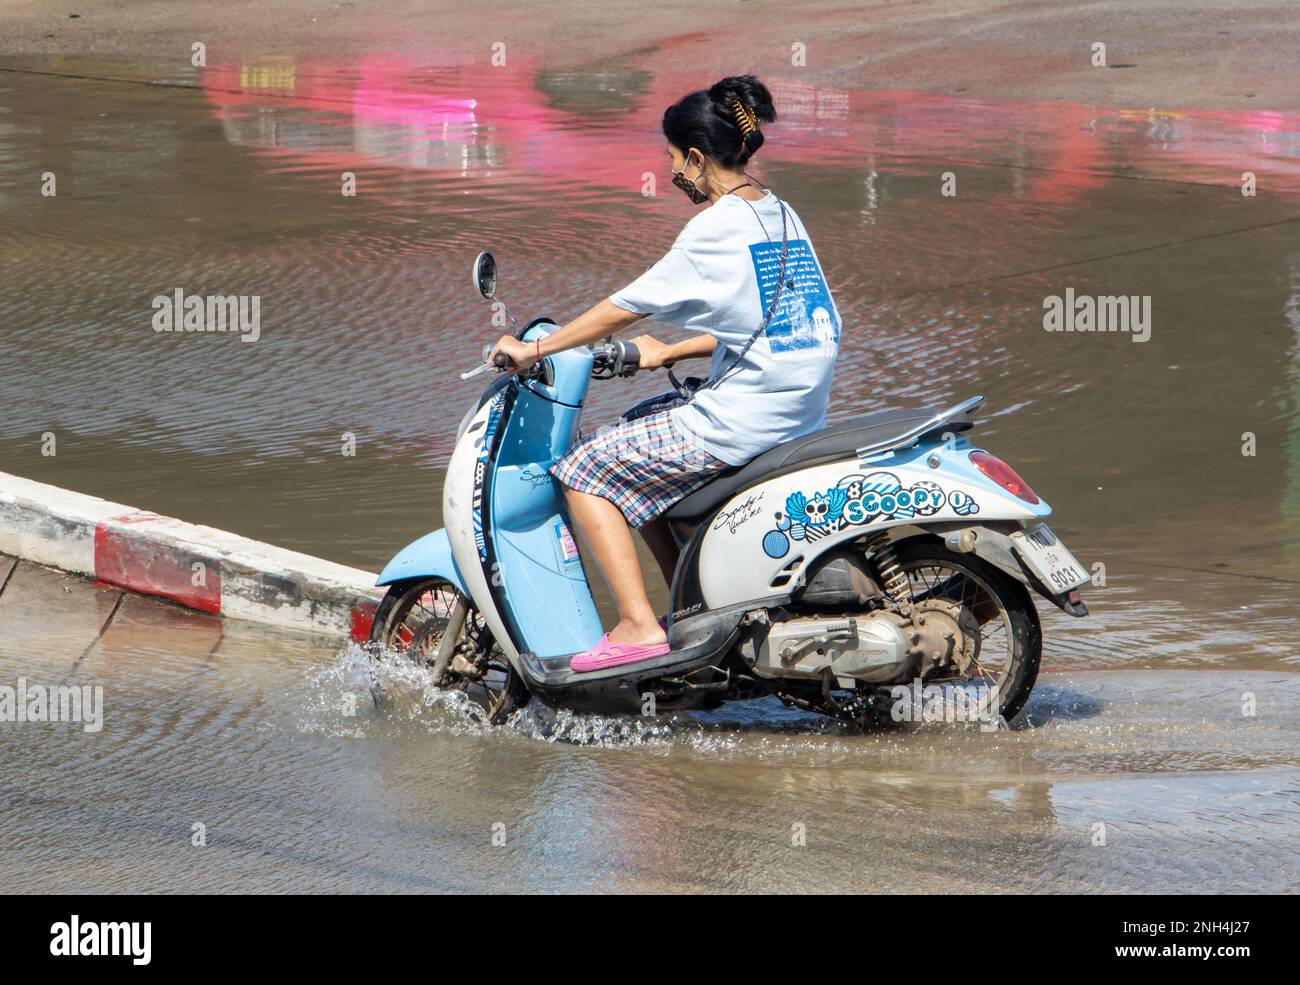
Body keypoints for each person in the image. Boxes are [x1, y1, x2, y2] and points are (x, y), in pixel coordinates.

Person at [489, 74, 842, 673]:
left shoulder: (713, 228)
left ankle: (636, 626)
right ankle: (692, 602)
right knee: (641, 420)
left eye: (674, 160)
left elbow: (623, 308)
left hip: (746, 419)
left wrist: (538, 348)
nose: (673, 172)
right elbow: (786, 322)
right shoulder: (779, 213)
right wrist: (671, 352)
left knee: (583, 471)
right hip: (795, 408)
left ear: (699, 159)